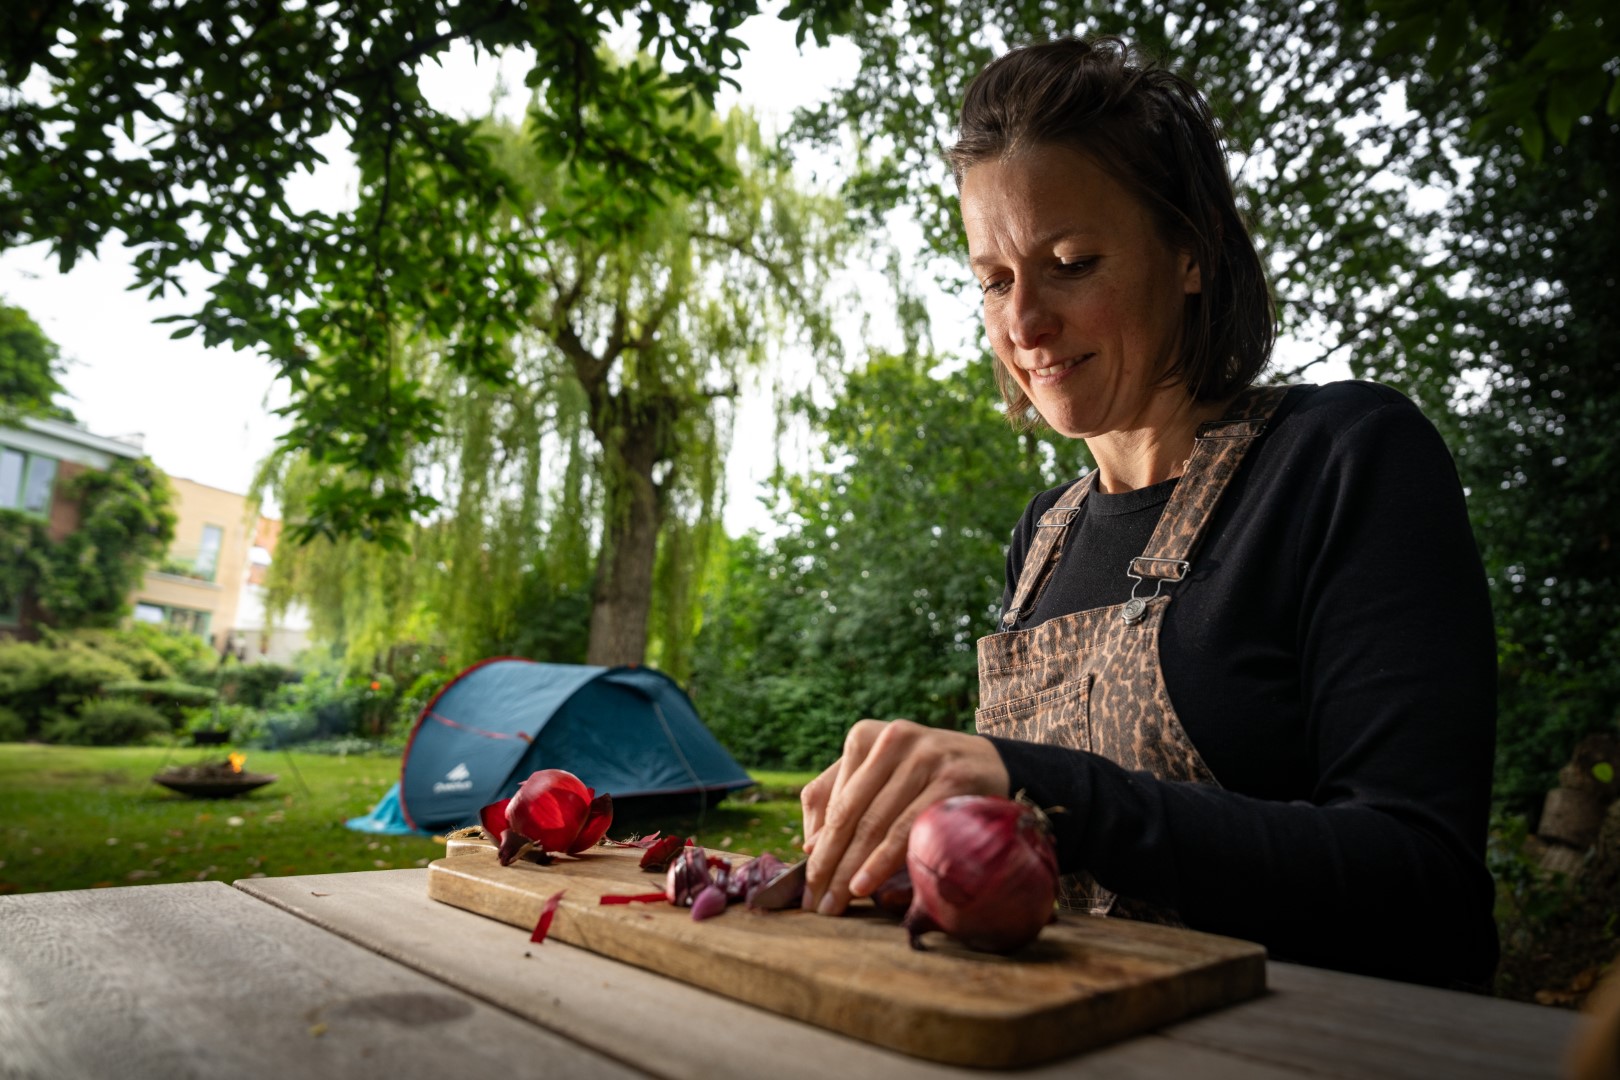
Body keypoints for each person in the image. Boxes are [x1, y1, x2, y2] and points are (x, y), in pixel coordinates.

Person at [798, 36, 1499, 989]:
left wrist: (1042, 788)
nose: (1024, 324)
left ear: (1191, 255)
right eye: (994, 281)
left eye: (1073, 262)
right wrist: (923, 856)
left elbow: (1421, 879)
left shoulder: (1345, 457)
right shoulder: (1042, 541)